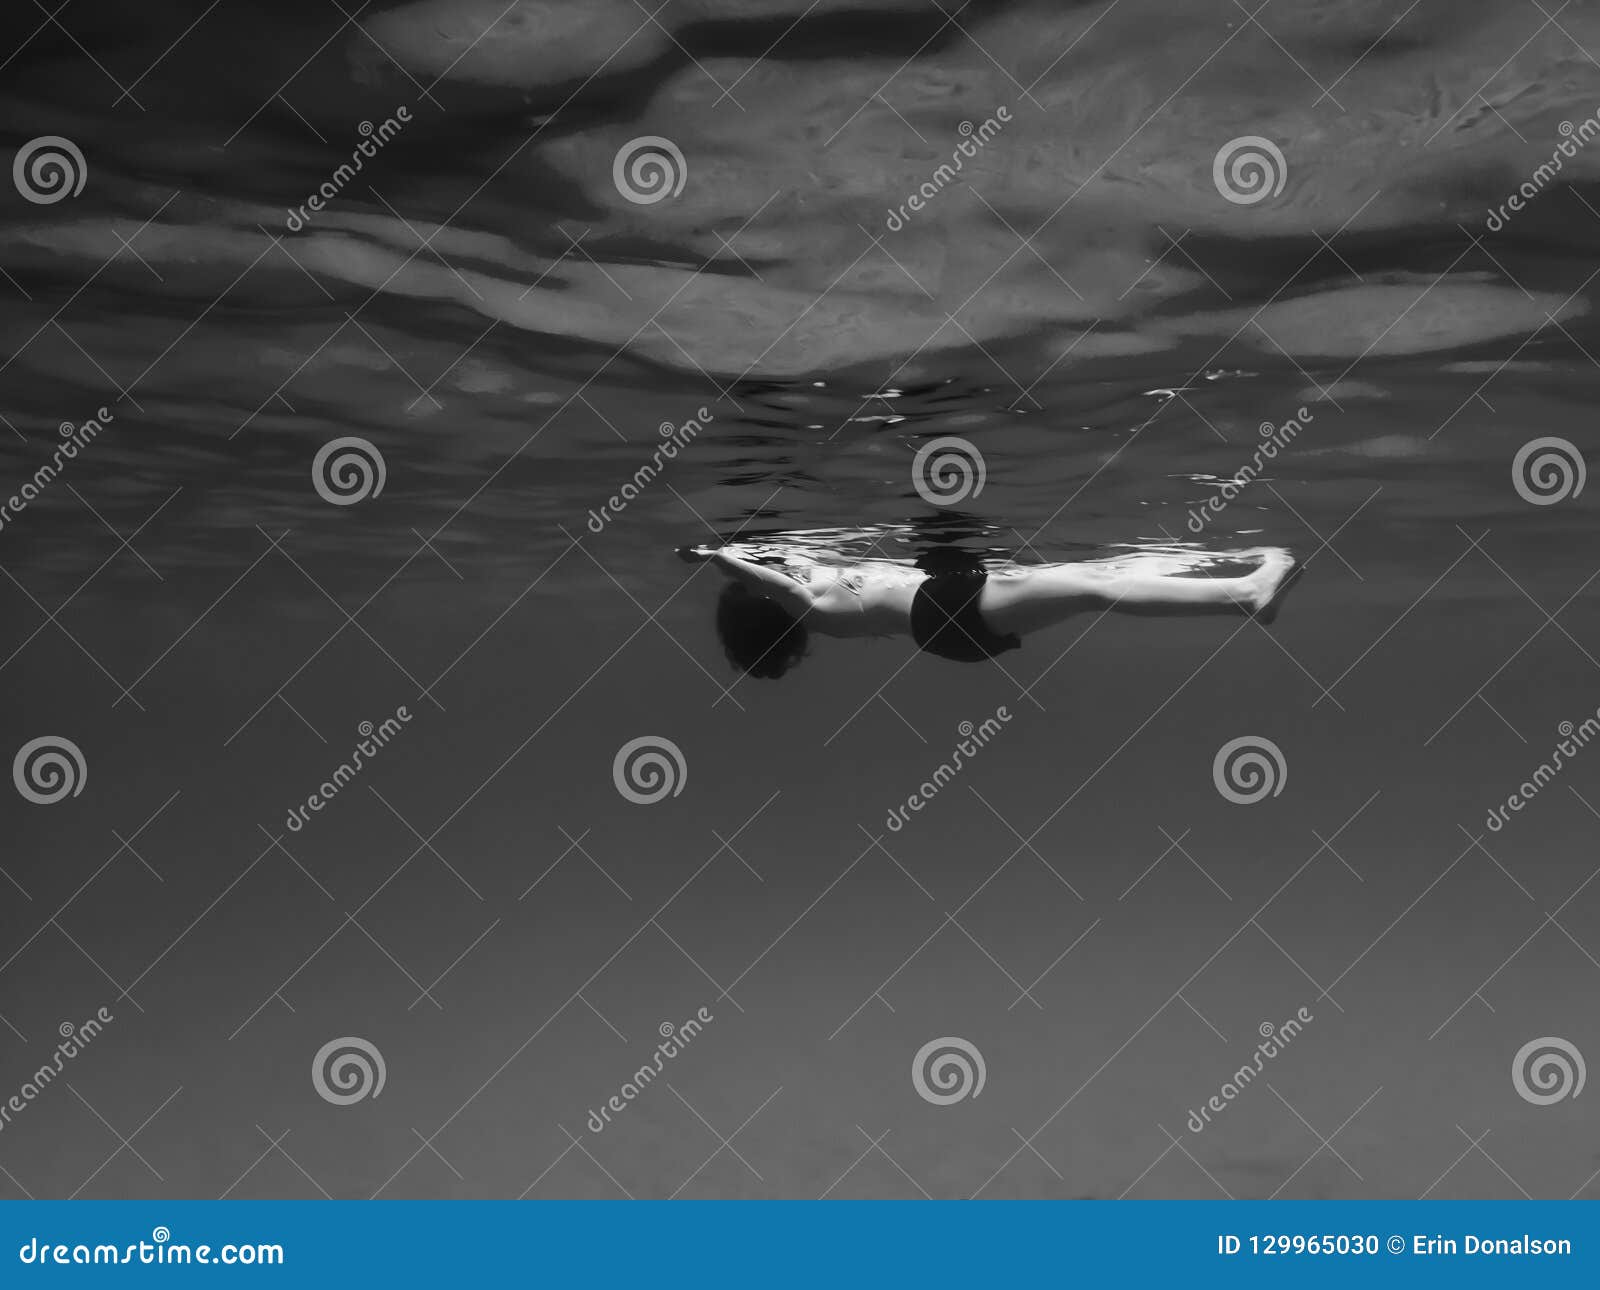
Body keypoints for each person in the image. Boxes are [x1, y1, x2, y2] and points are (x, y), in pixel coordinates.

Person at [701, 541, 1299, 679]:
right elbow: (772, 582)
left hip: (946, 630)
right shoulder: (810, 607)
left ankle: (1244, 595)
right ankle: (1246, 594)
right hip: (946, 608)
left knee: (1095, 583)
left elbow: (781, 583)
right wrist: (719, 556)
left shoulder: (822, 613)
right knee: (1095, 585)